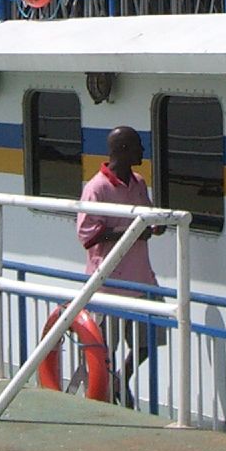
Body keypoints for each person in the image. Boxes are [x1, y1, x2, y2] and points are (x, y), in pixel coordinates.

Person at [76, 124, 160, 402]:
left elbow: (148, 216)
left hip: (141, 280)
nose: (143, 151)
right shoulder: (96, 188)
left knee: (148, 343)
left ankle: (122, 381)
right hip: (108, 286)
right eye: (138, 145)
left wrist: (155, 226)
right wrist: (131, 232)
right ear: (123, 150)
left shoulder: (138, 182)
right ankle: (109, 389)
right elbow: (87, 235)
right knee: (103, 349)